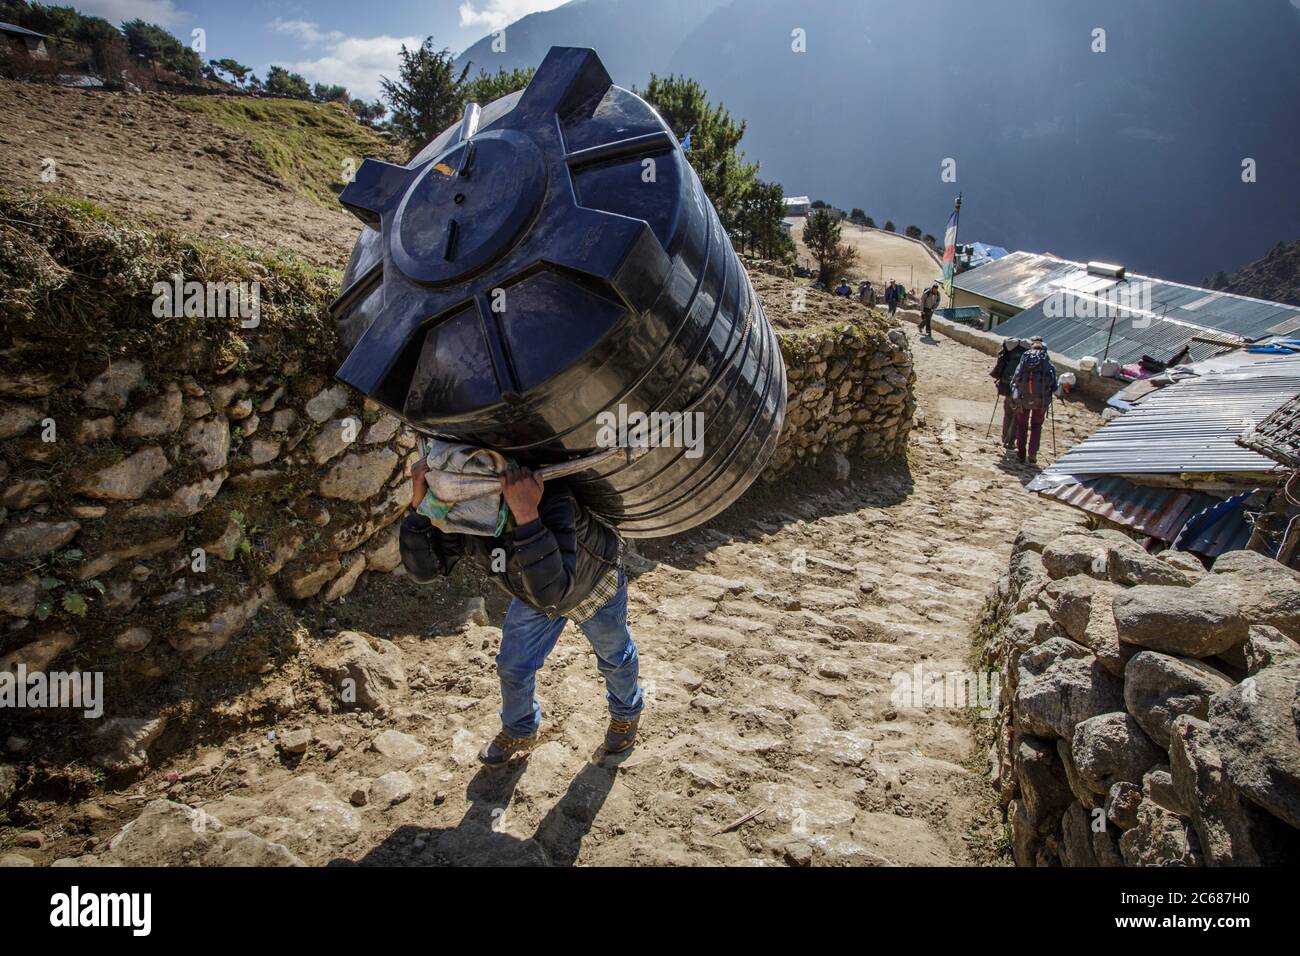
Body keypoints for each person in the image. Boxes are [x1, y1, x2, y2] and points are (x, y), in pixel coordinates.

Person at [400, 455, 644, 766]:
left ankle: (626, 712)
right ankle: (519, 729)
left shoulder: (551, 495)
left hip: (592, 584)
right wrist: (419, 511)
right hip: (535, 589)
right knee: (513, 666)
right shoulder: (465, 508)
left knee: (614, 657)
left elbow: (555, 589)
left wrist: (527, 515)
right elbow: (427, 570)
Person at [1010, 336, 1058, 465]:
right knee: (1036, 426)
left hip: (1023, 398)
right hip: (1041, 400)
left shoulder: (1024, 361)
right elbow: (1054, 385)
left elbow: (1015, 379)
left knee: (1022, 425)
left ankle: (1020, 455)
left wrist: (1015, 394)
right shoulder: (1047, 363)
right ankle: (1032, 454)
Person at [990, 336, 1028, 449]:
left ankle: (1004, 437)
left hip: (1006, 384)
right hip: (1020, 387)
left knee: (1008, 413)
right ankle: (1010, 441)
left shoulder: (1010, 348)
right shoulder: (1028, 353)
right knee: (1016, 415)